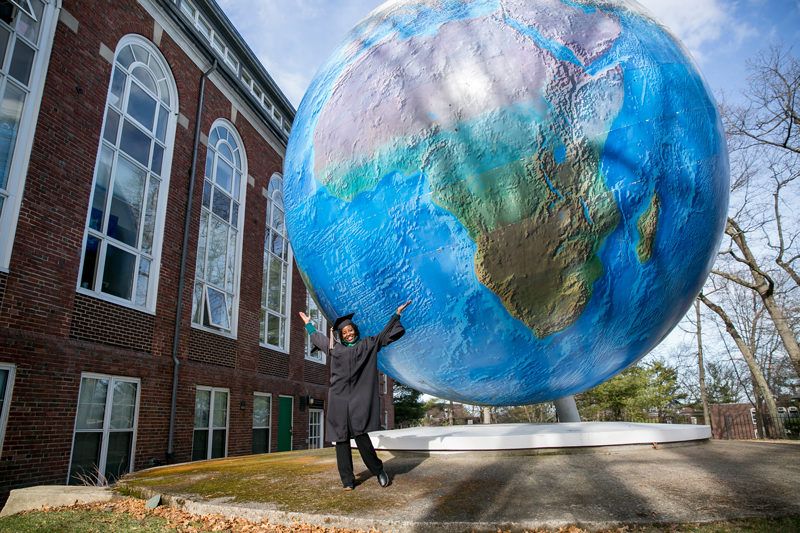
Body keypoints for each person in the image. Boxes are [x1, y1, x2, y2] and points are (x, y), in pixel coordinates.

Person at [299, 300, 411, 490]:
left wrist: (397, 314)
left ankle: (378, 470)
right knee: (341, 439)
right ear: (341, 336)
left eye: (351, 330)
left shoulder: (366, 345)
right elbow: (318, 339)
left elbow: (384, 336)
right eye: (345, 332)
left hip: (359, 397)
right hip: (339, 399)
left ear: (355, 330)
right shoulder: (335, 349)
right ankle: (348, 481)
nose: (349, 334)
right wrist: (309, 324)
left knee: (361, 437)